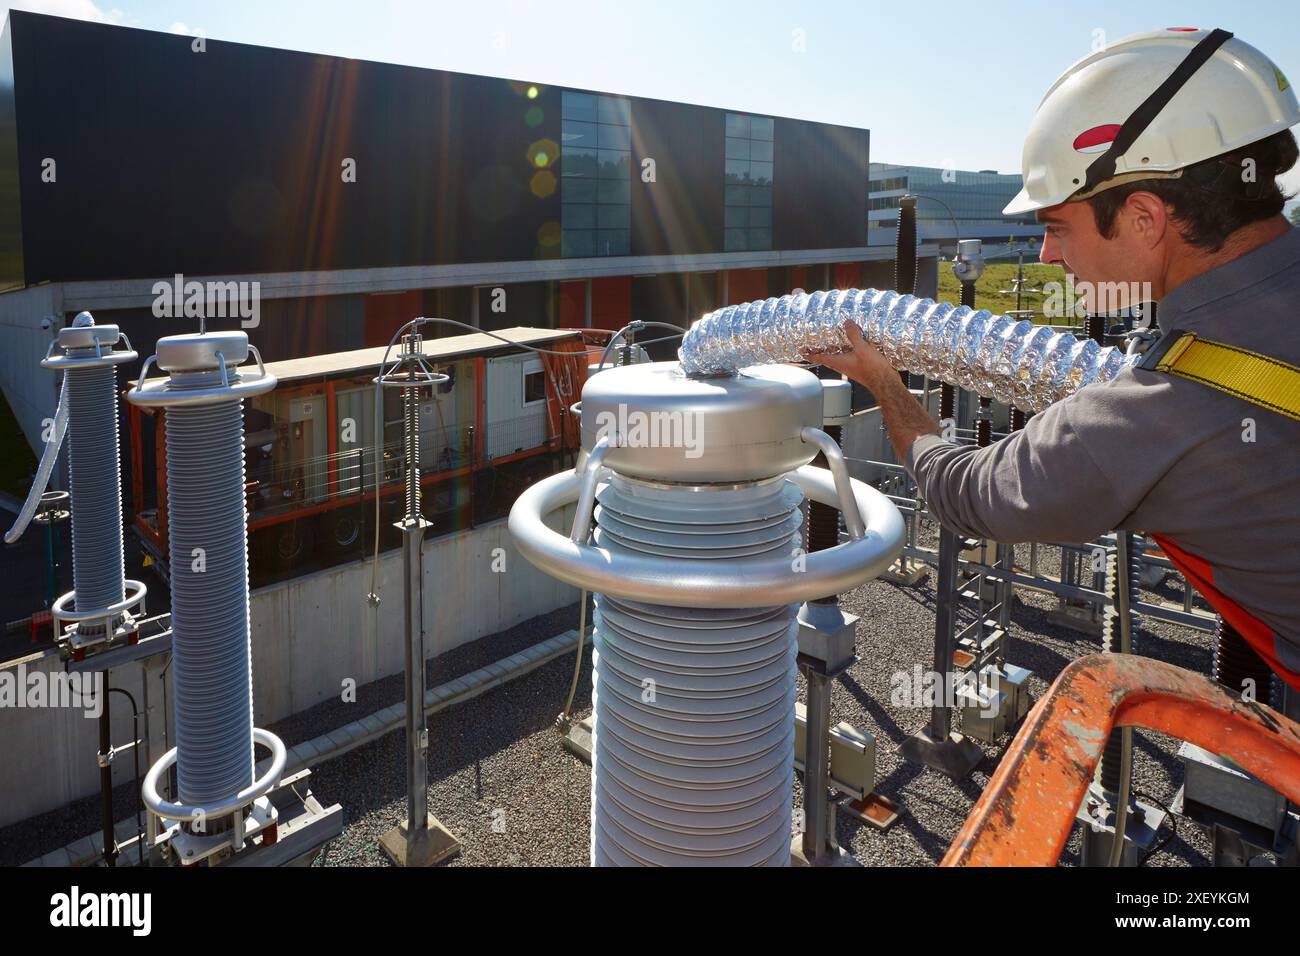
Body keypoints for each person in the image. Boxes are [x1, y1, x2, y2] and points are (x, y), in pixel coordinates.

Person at [806, 28, 1300, 700]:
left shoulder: (1154, 412)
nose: (1043, 255)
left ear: (1146, 216)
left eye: (1057, 226)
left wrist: (885, 384)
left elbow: (967, 492)